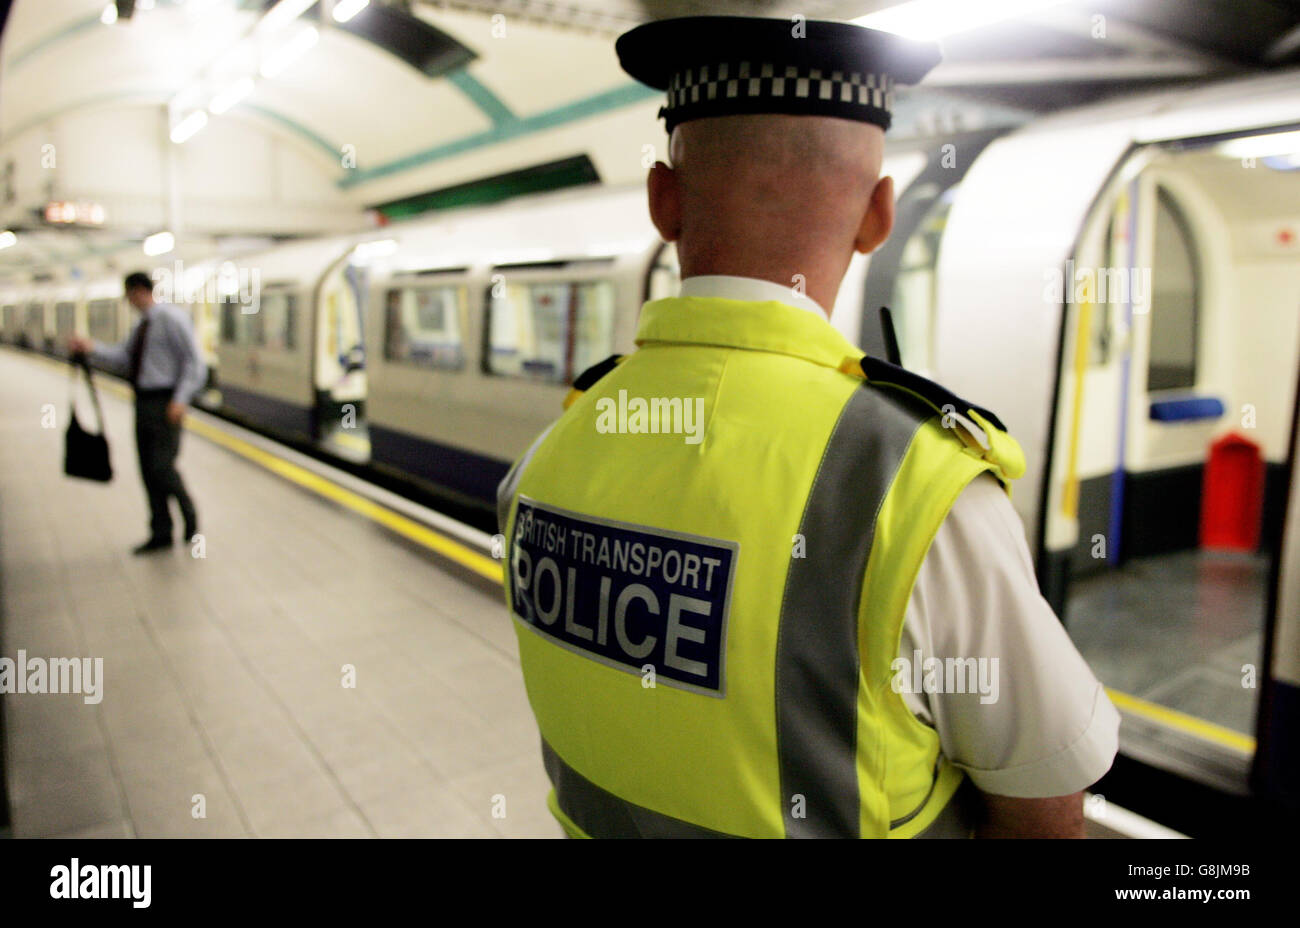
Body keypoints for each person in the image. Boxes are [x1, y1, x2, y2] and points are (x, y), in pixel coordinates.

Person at [497, 15, 1119, 838]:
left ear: (662, 202)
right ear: (878, 216)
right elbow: (1044, 804)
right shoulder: (919, 494)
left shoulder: (547, 457)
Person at [69, 271, 206, 555]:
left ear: (138, 291)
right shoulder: (142, 324)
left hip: (165, 401)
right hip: (143, 402)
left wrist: (180, 400)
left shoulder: (171, 318)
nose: (129, 302)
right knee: (147, 470)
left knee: (161, 466)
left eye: (129, 295)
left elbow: (194, 362)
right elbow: (123, 357)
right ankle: (160, 531)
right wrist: (91, 348)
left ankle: (189, 513)